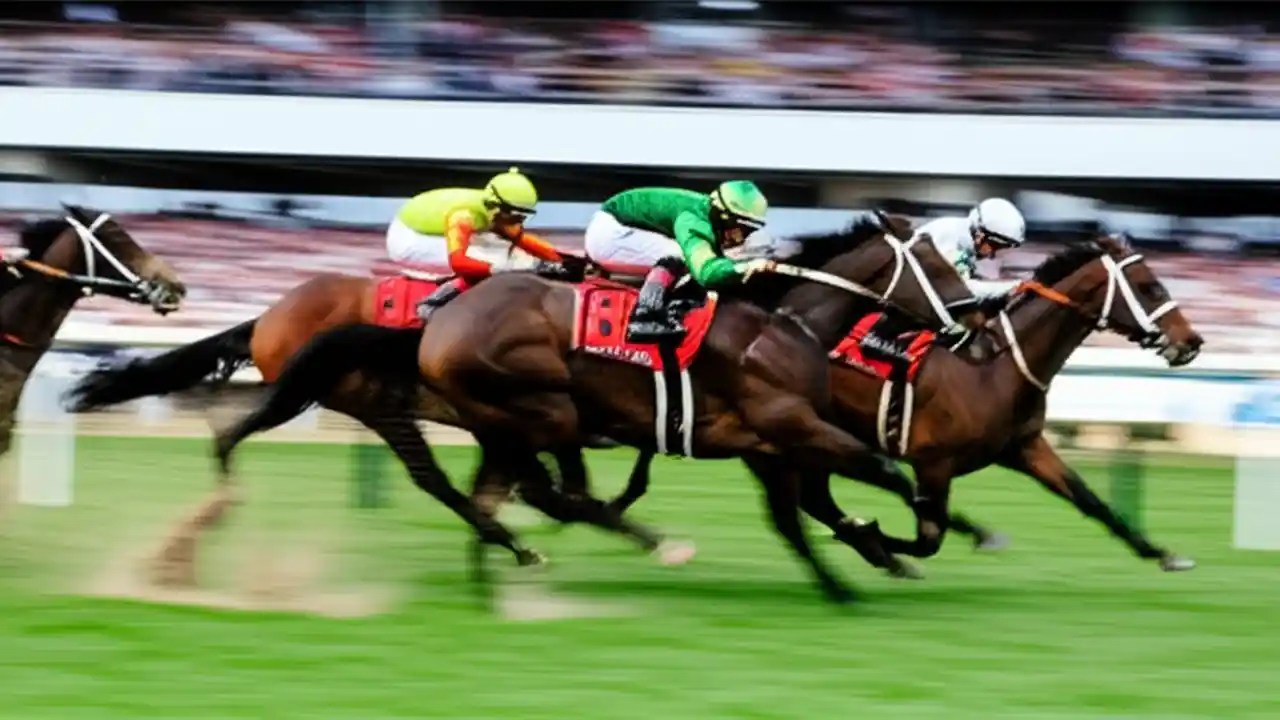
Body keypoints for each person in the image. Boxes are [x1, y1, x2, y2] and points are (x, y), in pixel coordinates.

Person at [385, 167, 584, 319]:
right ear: (495, 206)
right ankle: (432, 304)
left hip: (429, 228)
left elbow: (521, 240)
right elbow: (459, 262)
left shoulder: (494, 210)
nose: (518, 222)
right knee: (494, 257)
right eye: (515, 215)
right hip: (408, 239)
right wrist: (511, 269)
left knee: (507, 252)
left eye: (523, 216)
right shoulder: (464, 216)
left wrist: (561, 259)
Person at [583, 181, 769, 343]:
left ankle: (671, 309)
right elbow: (706, 272)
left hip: (616, 226)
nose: (743, 238)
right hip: (609, 234)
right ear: (725, 217)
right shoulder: (693, 219)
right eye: (743, 229)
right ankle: (644, 318)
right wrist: (744, 267)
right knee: (681, 256)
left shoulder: (707, 214)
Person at [860, 197, 1026, 363]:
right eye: (994, 246)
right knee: (960, 328)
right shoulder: (951, 236)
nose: (992, 255)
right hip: (903, 296)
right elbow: (960, 292)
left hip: (917, 293)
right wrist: (1014, 286)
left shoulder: (963, 237)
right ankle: (880, 339)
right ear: (980, 233)